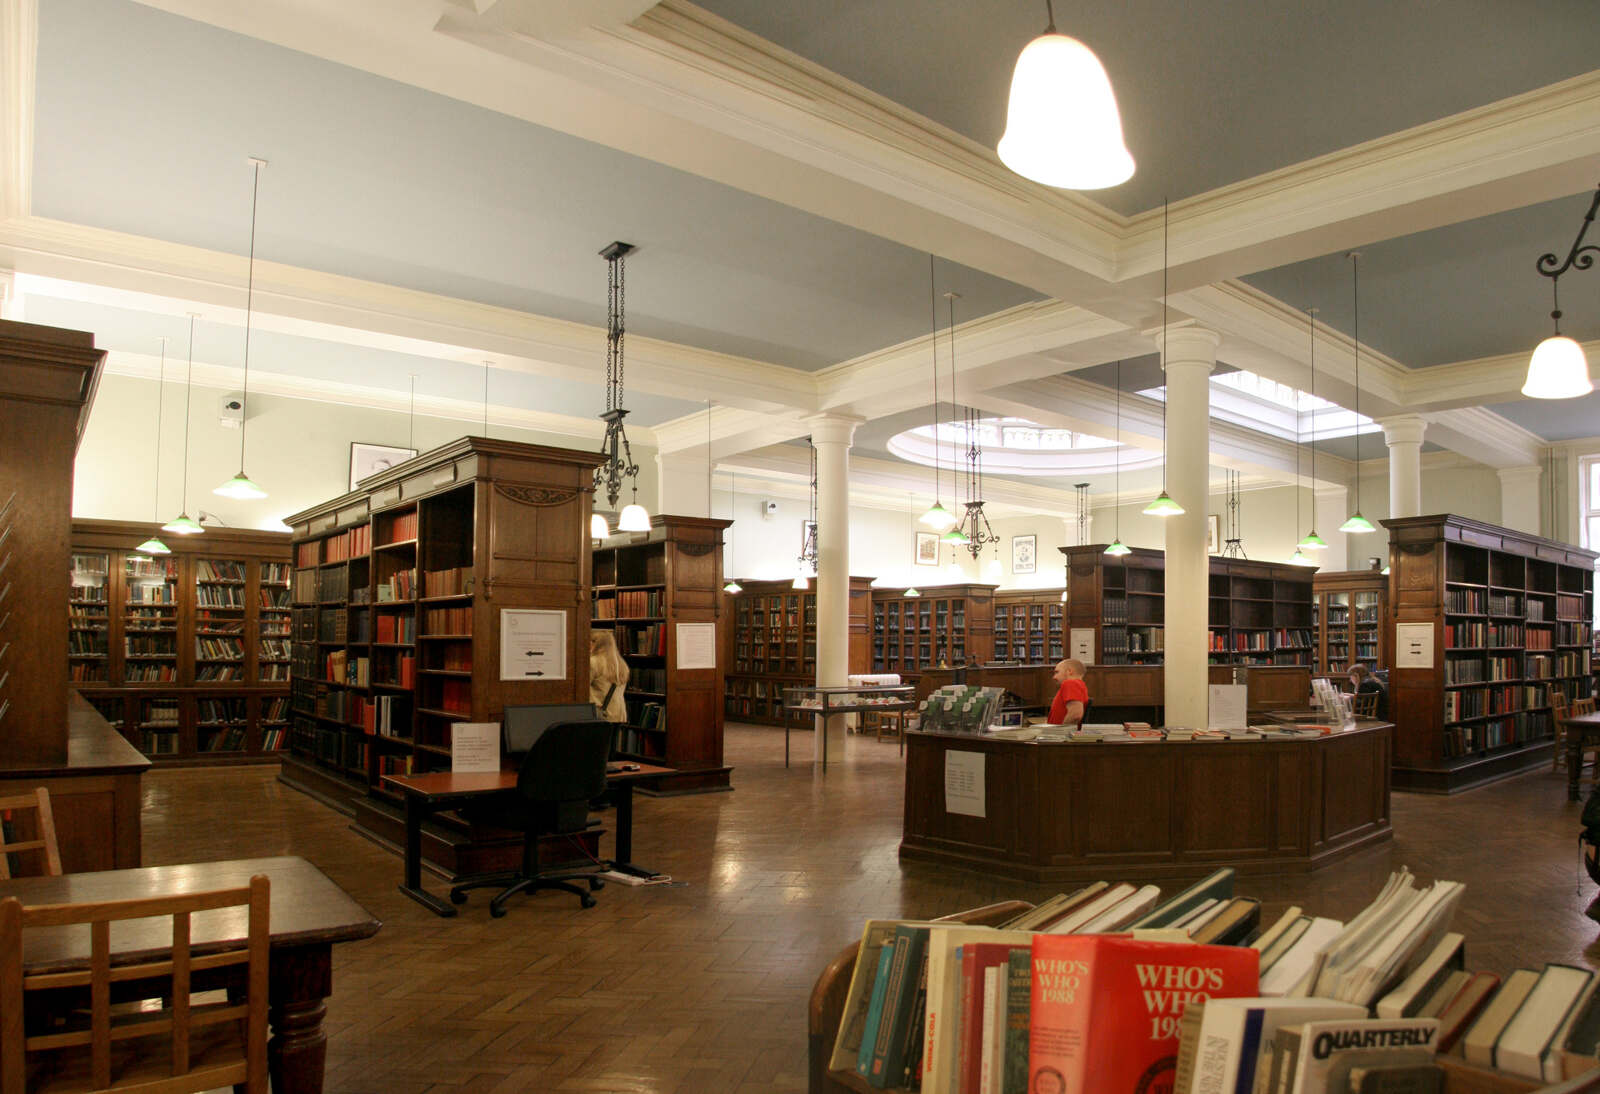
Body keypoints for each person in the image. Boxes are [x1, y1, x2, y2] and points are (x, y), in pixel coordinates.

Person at [589, 629, 629, 723]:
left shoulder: (593, 662)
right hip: (619, 713)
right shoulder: (621, 664)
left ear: (595, 643)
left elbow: (581, 690)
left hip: (599, 714)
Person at [1047, 658, 1089, 726]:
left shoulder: (1070, 683)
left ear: (1069, 671)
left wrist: (1062, 731)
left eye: (1057, 672)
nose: (1054, 677)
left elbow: (1075, 715)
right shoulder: (1079, 685)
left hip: (1060, 734)